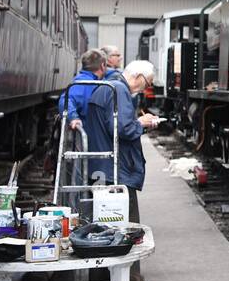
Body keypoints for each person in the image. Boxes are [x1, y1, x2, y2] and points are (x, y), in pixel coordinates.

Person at [82, 60, 158, 223]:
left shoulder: (108, 86)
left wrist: (139, 124)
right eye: (147, 83)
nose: (146, 88)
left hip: (101, 166)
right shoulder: (119, 90)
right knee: (125, 225)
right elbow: (123, 129)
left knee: (101, 222)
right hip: (116, 171)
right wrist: (141, 123)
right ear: (138, 77)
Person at [58, 49, 109, 131]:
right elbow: (66, 100)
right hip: (91, 135)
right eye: (107, 66)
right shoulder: (84, 84)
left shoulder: (86, 81)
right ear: (103, 66)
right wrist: (74, 118)